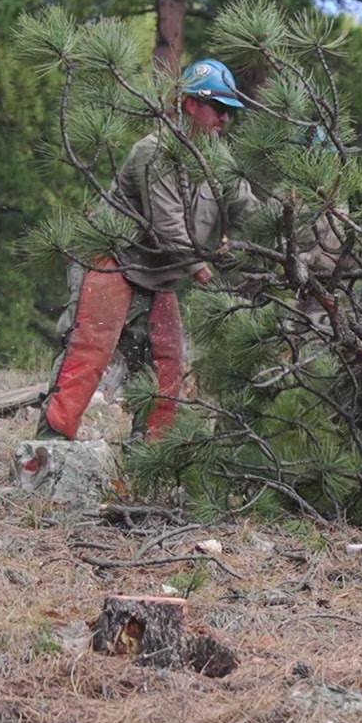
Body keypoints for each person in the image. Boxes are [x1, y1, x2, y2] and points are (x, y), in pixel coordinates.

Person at [39, 58, 257, 441]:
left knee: (167, 364)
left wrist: (275, 237)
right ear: (191, 105)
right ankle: (49, 448)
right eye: (219, 110)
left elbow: (251, 211)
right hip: (111, 259)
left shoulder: (221, 159)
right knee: (89, 350)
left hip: (160, 274)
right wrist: (205, 272)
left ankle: (149, 457)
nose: (226, 121)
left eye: (231, 113)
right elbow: (168, 227)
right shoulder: (154, 151)